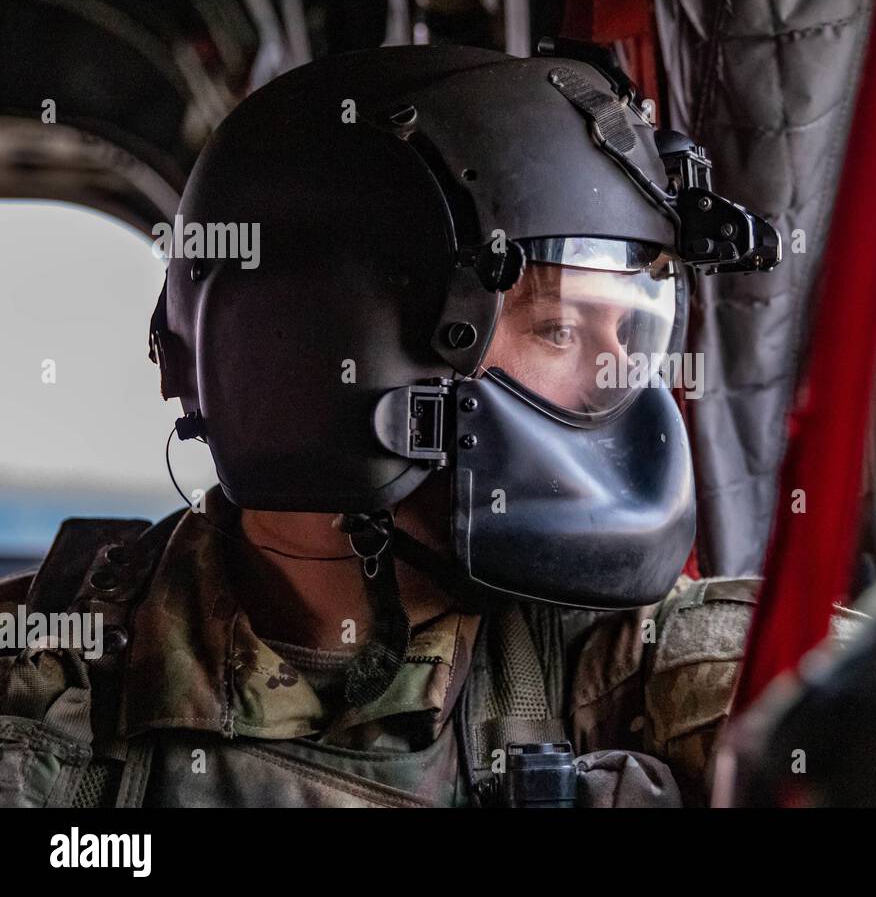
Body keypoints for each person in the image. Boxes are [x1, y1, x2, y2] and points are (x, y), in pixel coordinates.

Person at [0, 42, 809, 807]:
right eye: (561, 331)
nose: (613, 383)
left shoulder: (640, 668)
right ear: (333, 342)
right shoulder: (39, 688)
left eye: (627, 336)